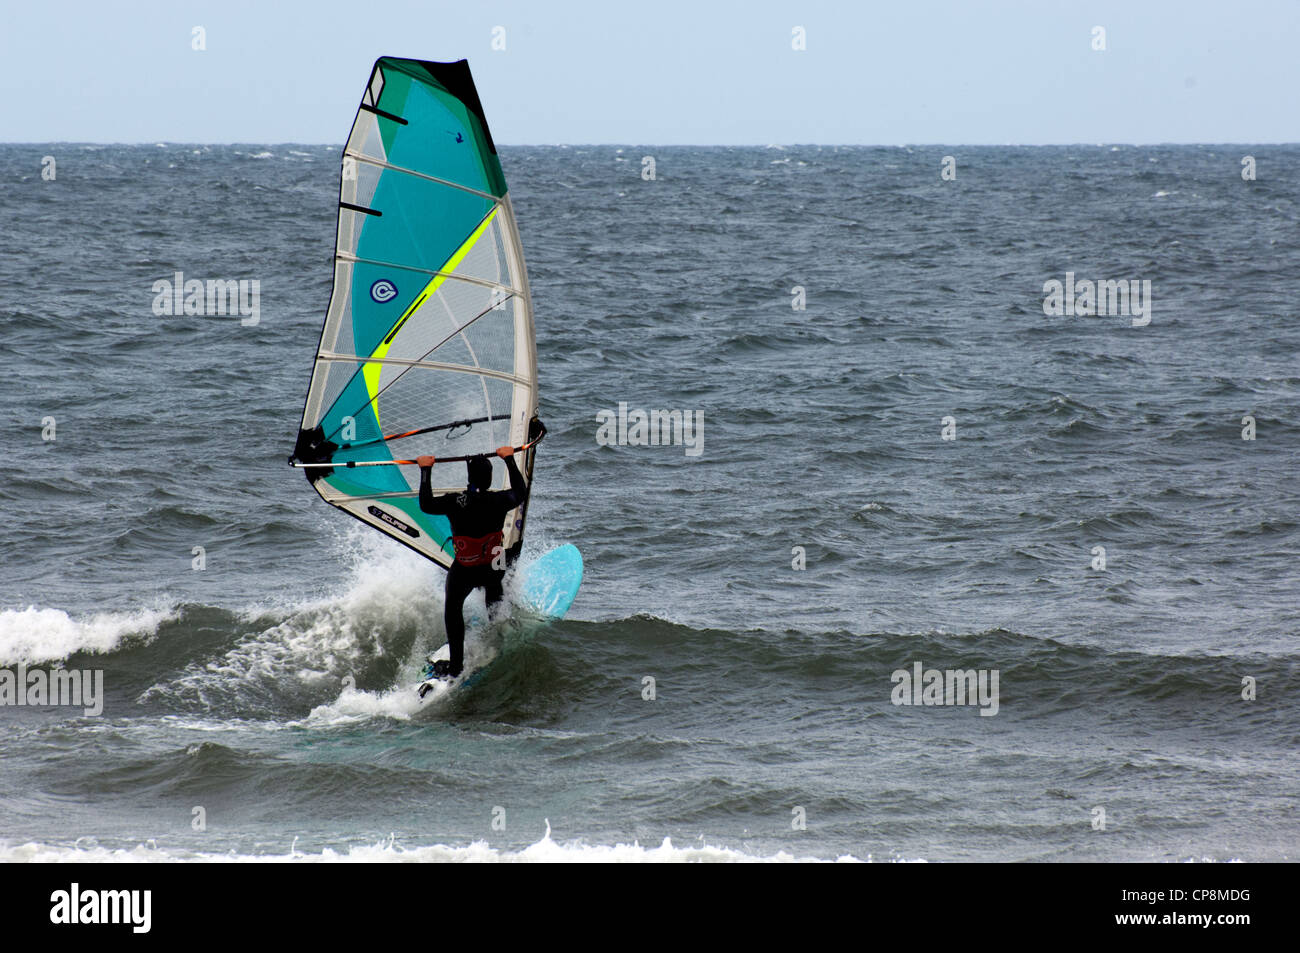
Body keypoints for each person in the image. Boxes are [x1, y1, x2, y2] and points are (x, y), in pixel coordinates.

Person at [415, 445, 527, 680]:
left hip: (465, 570)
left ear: (469, 478)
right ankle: (498, 629)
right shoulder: (499, 500)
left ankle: (456, 667)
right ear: (489, 479)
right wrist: (509, 459)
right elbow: (520, 492)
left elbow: (425, 504)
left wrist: (426, 469)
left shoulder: (454, 501)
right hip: (493, 568)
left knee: (453, 609)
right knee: (496, 581)